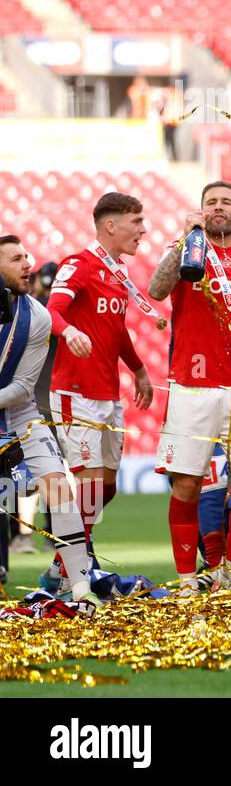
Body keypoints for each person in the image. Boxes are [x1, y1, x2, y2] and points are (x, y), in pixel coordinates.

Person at [147, 182, 231, 594]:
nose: (218, 208)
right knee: (186, 485)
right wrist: (187, 239)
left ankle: (230, 568)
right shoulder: (187, 251)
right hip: (191, 385)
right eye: (210, 203)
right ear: (200, 211)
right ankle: (187, 579)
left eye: (226, 202)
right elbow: (156, 290)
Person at [44, 193, 155, 565]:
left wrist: (138, 368)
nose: (143, 229)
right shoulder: (78, 265)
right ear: (111, 226)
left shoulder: (116, 273)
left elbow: (117, 329)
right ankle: (71, 566)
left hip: (108, 393)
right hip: (76, 392)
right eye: (136, 221)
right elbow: (52, 311)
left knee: (106, 487)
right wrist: (68, 332)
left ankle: (71, 557)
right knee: (90, 484)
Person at [0, 235, 99, 603]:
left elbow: (23, 388)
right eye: (15, 259)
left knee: (60, 489)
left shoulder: (39, 317)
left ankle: (81, 588)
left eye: (26, 257)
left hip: (19, 415)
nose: (28, 264)